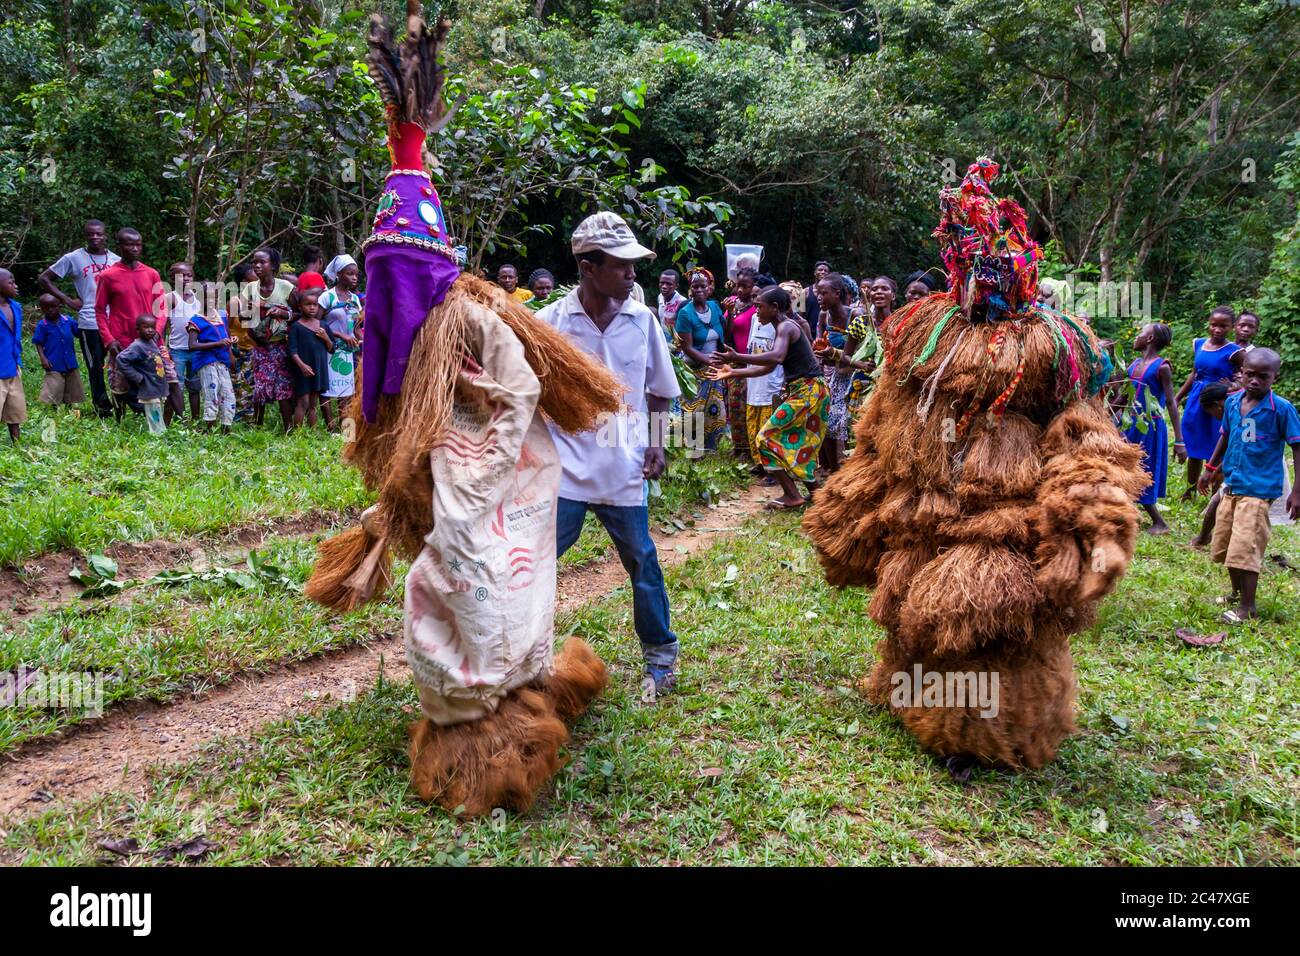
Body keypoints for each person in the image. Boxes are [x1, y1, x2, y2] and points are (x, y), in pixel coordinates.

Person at [304, 7, 623, 821]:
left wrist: (466, 478)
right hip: (455, 481)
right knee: (448, 589)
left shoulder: (477, 316)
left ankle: (504, 703)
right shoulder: (395, 331)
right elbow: (393, 415)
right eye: (384, 275)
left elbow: (516, 396)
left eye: (403, 272)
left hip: (504, 478)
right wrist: (403, 488)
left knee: (473, 585)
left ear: (430, 265)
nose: (392, 289)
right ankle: (473, 710)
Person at [803, 158, 1148, 774]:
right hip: (924, 502)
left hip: (1005, 518)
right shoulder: (926, 335)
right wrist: (858, 487)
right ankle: (913, 696)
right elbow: (886, 416)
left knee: (985, 620)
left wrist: (1092, 508)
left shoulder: (1054, 349)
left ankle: (976, 734)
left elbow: (1087, 433)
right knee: (910, 608)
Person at [538, 212, 682, 694]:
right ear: (587, 267)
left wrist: (656, 444)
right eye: (621, 266)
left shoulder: (643, 321)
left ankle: (661, 658)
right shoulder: (550, 324)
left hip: (624, 466)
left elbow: (660, 389)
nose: (631, 275)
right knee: (536, 563)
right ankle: (522, 654)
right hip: (563, 469)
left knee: (642, 561)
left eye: (632, 266)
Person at [1197, 348, 1300, 623]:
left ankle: (1248, 607)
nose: (1254, 381)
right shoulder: (1232, 403)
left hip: (1258, 489)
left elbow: (1297, 446)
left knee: (1247, 546)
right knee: (1228, 543)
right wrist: (1209, 469)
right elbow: (1226, 437)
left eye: (1262, 377)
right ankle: (1235, 593)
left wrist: (1297, 491)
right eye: (1249, 374)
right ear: (1242, 373)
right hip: (1233, 483)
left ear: (1274, 378)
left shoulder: (1282, 409)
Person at [708, 285, 829, 509]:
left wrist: (737, 355)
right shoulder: (781, 328)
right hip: (808, 391)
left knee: (765, 438)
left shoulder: (785, 327)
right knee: (800, 442)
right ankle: (817, 494)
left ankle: (792, 495)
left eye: (759, 307)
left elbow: (776, 356)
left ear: (774, 308)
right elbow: (767, 367)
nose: (756, 311)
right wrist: (734, 370)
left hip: (809, 391)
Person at [40, 219, 119, 417]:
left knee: (120, 363)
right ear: (85, 236)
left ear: (105, 235)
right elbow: (44, 278)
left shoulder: (116, 260)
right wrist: (66, 300)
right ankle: (102, 407)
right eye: (90, 234)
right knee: (95, 365)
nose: (95, 237)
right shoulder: (74, 258)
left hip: (114, 321)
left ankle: (123, 402)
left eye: (98, 234)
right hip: (90, 321)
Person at [1122, 323, 1186, 534]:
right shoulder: (1133, 364)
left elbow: (1171, 403)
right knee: (1125, 467)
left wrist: (1179, 440)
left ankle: (1159, 522)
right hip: (1129, 423)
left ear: (1149, 339)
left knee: (1144, 469)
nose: (1136, 337)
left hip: (1149, 426)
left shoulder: (1162, 367)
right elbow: (1124, 396)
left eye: (1140, 333)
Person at [94, 228, 164, 417]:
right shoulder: (108, 276)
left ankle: (153, 419)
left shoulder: (151, 274)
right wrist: (108, 339)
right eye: (129, 244)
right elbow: (99, 310)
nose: (134, 248)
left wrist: (157, 331)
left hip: (149, 339)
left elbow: (161, 307)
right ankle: (121, 420)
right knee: (120, 381)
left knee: (154, 377)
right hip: (121, 338)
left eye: (138, 244)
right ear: (120, 246)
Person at [1175, 305, 1241, 498]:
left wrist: (1235, 385)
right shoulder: (1199, 344)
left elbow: (1247, 374)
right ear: (1208, 324)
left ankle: (1215, 494)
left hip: (1219, 402)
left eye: (1223, 326)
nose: (1217, 329)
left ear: (1232, 326)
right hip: (1197, 399)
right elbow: (1194, 373)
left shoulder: (1234, 351)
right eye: (1214, 325)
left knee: (1217, 444)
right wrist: (1178, 397)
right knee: (1194, 444)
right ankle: (1190, 490)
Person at [238, 247, 295, 431]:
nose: (257, 265)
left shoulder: (285, 287)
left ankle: (288, 428)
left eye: (262, 262)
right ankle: (258, 426)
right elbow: (242, 319)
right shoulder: (249, 289)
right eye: (254, 262)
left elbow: (300, 313)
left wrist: (282, 313)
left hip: (283, 346)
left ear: (273, 265)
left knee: (283, 388)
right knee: (259, 387)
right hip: (259, 346)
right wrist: (253, 311)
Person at [675, 267, 729, 454]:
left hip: (714, 369)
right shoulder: (685, 313)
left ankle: (711, 448)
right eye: (695, 286)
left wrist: (720, 359)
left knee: (714, 409)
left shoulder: (714, 307)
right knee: (693, 409)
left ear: (709, 288)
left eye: (702, 286)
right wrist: (709, 361)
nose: (698, 290)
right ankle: (693, 449)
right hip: (694, 369)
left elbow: (723, 331)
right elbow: (686, 347)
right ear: (690, 289)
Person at [813, 272, 854, 472]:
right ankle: (831, 469)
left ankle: (850, 470)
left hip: (855, 376)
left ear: (837, 293)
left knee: (847, 425)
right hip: (834, 376)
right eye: (817, 293)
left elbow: (862, 353)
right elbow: (821, 346)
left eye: (823, 293)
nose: (818, 297)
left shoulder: (855, 315)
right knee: (828, 423)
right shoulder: (824, 315)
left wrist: (832, 353)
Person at [319, 254, 362, 431]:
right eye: (349, 273)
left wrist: (361, 340)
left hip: (349, 351)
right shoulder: (327, 297)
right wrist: (341, 335)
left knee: (347, 390)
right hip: (329, 349)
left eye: (356, 274)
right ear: (338, 274)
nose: (354, 278)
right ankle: (331, 428)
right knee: (329, 389)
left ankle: (346, 430)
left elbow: (357, 327)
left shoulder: (355, 299)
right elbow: (317, 323)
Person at [721, 266, 759, 462]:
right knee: (735, 405)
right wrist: (729, 313)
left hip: (754, 362)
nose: (740, 290)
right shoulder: (732, 304)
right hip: (736, 361)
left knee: (752, 407)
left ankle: (754, 449)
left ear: (754, 287)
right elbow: (727, 335)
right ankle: (740, 447)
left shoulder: (759, 306)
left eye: (745, 286)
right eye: (738, 286)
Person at [1188, 382, 1231, 549]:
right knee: (1217, 501)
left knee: (1218, 502)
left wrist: (1215, 468)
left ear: (1217, 406)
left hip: (1253, 469)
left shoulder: (1239, 410)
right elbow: (1228, 439)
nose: (1213, 417)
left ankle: (1204, 538)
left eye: (1210, 413)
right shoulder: (1234, 410)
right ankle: (1204, 537)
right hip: (1237, 464)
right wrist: (1213, 468)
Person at [187, 295, 236, 433]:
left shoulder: (221, 315)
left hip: (222, 360)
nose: (211, 301)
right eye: (207, 297)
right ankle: (211, 430)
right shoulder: (196, 320)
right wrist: (216, 344)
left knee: (228, 394)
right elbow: (192, 345)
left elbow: (227, 334)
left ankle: (226, 428)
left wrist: (230, 354)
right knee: (211, 394)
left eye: (214, 297)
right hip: (207, 361)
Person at [287, 286, 333, 429]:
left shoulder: (323, 325)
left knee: (313, 403)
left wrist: (326, 338)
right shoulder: (296, 326)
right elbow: (292, 351)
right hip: (303, 370)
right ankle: (298, 435)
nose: (312, 308)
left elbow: (332, 349)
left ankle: (312, 433)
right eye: (308, 304)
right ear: (300, 307)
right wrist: (302, 366)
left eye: (315, 305)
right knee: (303, 402)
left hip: (318, 368)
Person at [115, 314, 169, 433]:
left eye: (153, 327)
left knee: (157, 408)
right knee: (153, 410)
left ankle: (160, 431)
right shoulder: (137, 346)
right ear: (137, 329)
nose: (150, 330)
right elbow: (121, 359)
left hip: (157, 385)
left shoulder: (152, 342)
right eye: (146, 327)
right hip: (149, 386)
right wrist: (137, 377)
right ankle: (157, 434)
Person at [163, 262, 202, 420]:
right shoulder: (170, 297)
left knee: (194, 386)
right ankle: (168, 421)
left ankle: (195, 419)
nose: (186, 278)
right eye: (181, 275)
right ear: (172, 278)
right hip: (177, 350)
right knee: (174, 386)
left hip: (196, 350)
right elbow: (163, 324)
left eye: (189, 275)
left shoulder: (198, 298)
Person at [31, 294, 85, 408]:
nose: (50, 310)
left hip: (70, 361)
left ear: (59, 306)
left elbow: (80, 333)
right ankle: (54, 409)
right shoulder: (43, 325)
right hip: (53, 362)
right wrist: (43, 358)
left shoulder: (68, 320)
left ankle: (69, 408)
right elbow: (38, 342)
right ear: (41, 309)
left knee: (72, 387)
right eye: (46, 307)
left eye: (53, 306)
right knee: (54, 387)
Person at [0, 270, 26, 442]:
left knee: (15, 407)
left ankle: (17, 443)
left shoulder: (15, 307)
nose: (15, 286)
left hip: (13, 365)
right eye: (11, 282)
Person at [656, 268, 686, 341]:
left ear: (676, 286)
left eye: (669, 284)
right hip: (663, 341)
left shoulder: (683, 303)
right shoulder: (660, 297)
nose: (664, 286)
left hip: (677, 345)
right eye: (662, 283)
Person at [803, 260, 831, 331]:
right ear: (815, 273)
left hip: (826, 334)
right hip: (808, 333)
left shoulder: (832, 294)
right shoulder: (804, 292)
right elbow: (796, 314)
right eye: (820, 270)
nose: (823, 272)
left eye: (826, 271)